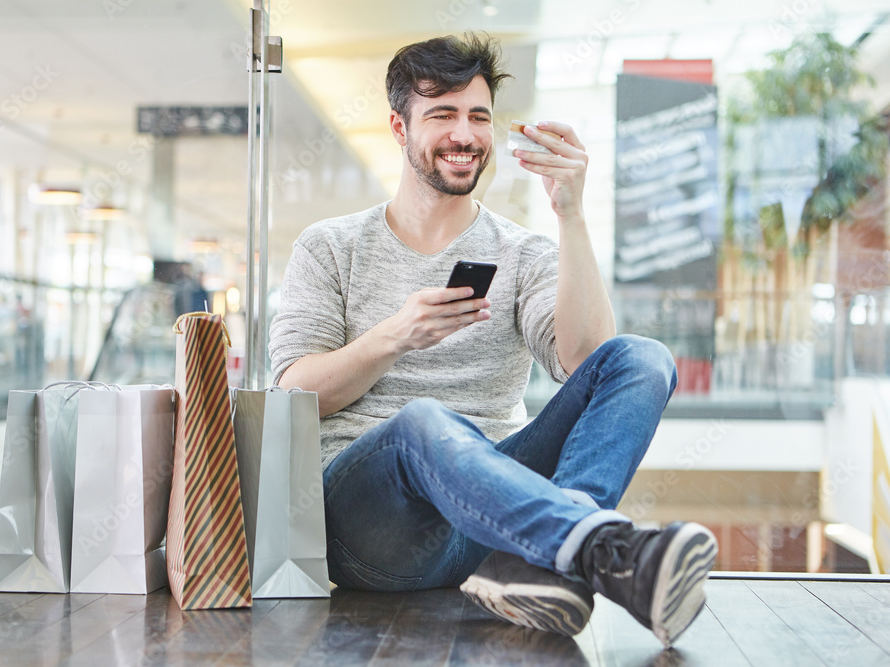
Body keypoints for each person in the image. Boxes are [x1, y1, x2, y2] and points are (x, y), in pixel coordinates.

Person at [269, 33, 717, 647]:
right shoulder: (330, 247)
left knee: (642, 357)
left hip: (485, 525)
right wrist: (394, 336)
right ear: (400, 129)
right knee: (422, 423)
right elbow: (294, 394)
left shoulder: (524, 252)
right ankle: (592, 548)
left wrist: (571, 214)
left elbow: (585, 362)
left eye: (478, 116)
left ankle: (545, 557)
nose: (465, 134)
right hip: (368, 530)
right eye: (442, 114)